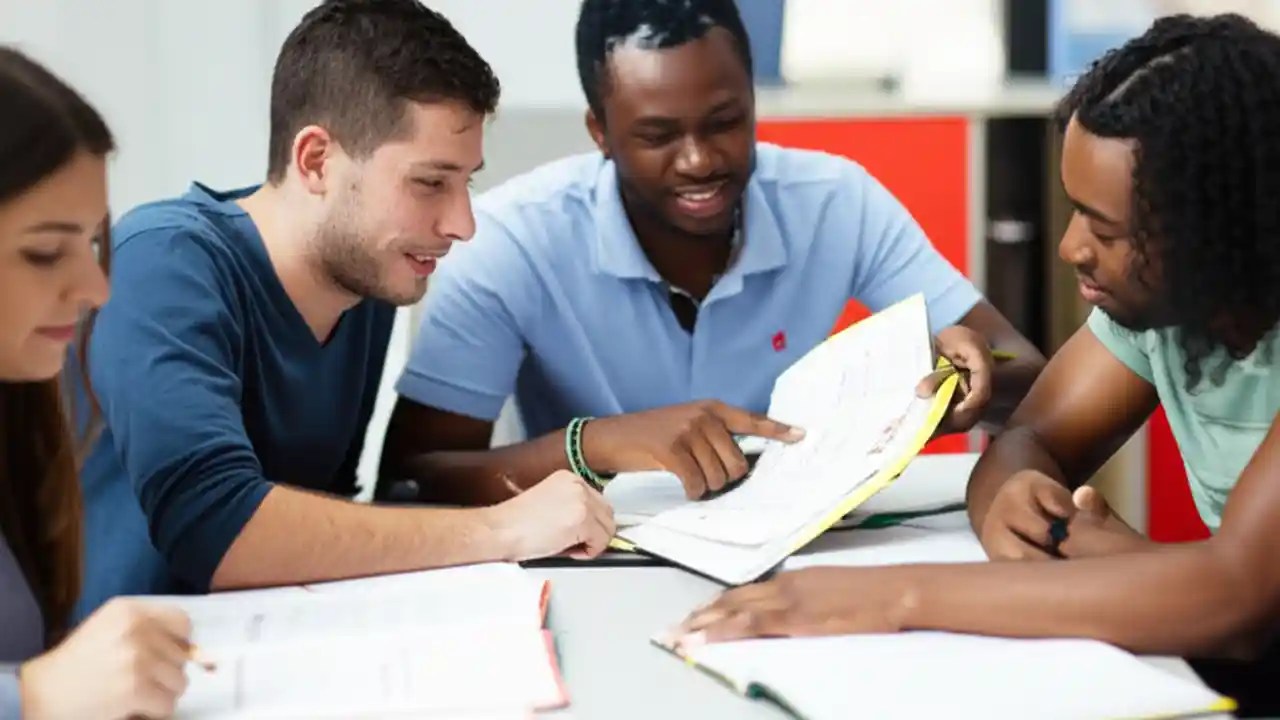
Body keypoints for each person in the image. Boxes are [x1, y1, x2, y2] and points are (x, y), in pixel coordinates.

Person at [672, 13, 1280, 716]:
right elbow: (1029, 440)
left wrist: (888, 596)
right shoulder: (1159, 313)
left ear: (1215, 231)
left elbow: (1237, 602)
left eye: (1104, 228)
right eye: (1074, 212)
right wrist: (1020, 504)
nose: (1070, 248)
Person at [379, 0, 1045, 505]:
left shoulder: (836, 201)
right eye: (657, 135)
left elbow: (1028, 380)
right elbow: (410, 483)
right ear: (600, 132)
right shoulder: (511, 241)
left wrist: (978, 374)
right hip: (597, 562)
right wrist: (597, 445)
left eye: (725, 123)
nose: (699, 160)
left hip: (797, 549)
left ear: (754, 100)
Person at [75, 0, 614, 617]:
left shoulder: (365, 282)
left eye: (468, 183)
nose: (462, 224)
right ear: (316, 161)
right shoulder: (161, 262)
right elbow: (216, 529)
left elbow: (328, 522)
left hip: (271, 648)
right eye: (430, 183)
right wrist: (503, 529)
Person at [0, 48, 194, 720]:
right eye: (45, 251)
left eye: (90, 244)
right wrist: (32, 696)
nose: (95, 289)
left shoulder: (21, 414)